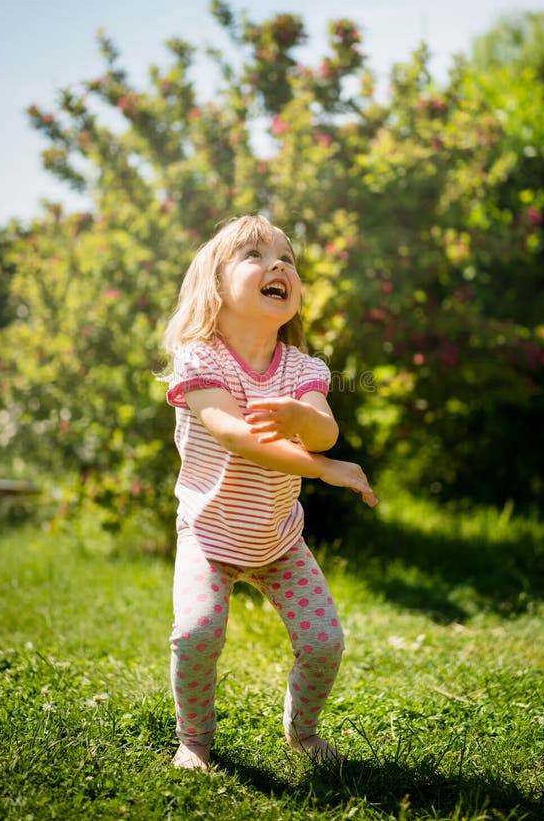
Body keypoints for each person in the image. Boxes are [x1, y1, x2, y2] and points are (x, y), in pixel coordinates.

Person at [161, 214, 377, 771]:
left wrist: (303, 417)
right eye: (254, 255)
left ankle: (302, 735)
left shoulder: (303, 369)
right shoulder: (200, 358)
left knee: (325, 642)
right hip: (209, 535)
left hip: (278, 540)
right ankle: (195, 741)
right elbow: (235, 437)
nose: (278, 264)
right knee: (197, 632)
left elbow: (326, 430)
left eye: (287, 258)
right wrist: (323, 469)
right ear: (215, 286)